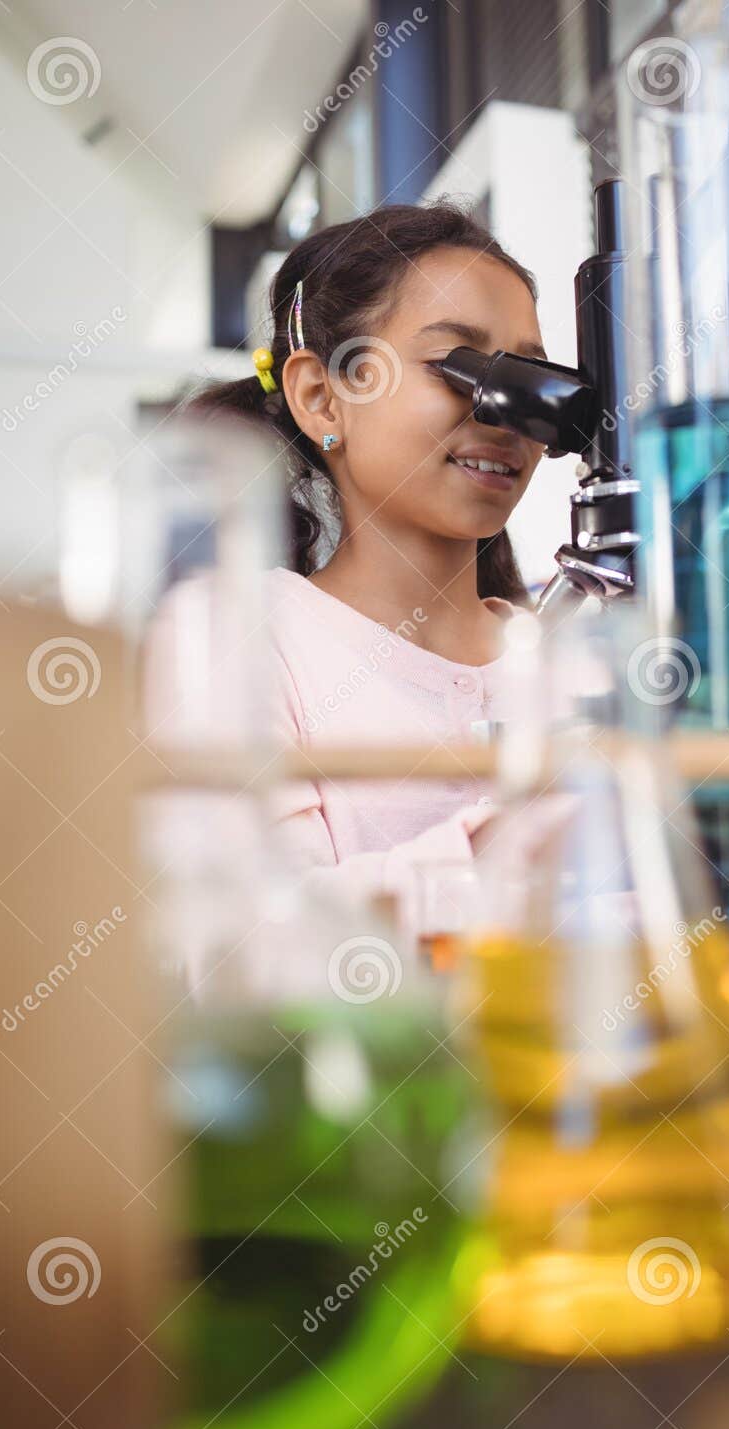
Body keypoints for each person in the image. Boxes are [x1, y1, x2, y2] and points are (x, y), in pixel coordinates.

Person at [148, 200, 550, 926]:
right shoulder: (233, 632)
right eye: (457, 366)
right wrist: (513, 842)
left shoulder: (560, 656)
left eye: (527, 378)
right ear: (320, 397)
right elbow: (237, 944)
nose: (503, 411)